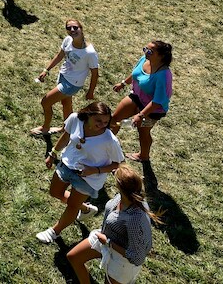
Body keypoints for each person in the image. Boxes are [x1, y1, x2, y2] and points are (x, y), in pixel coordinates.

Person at [37, 102, 124, 244]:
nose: (102, 125)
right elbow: (66, 137)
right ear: (88, 115)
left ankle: (54, 232)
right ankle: (85, 209)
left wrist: (94, 170)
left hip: (89, 178)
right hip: (67, 164)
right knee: (55, 192)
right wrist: (53, 154)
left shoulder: (110, 140)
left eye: (105, 122)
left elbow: (118, 163)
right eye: (98, 121)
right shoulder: (75, 119)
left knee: (72, 205)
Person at [66, 165, 156, 284]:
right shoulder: (124, 196)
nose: (113, 173)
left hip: (122, 261)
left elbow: (137, 258)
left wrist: (108, 243)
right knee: (73, 257)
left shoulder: (135, 219)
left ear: (121, 187)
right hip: (106, 238)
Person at [31, 19, 100, 136]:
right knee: (66, 104)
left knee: (45, 102)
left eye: (75, 27)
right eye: (69, 28)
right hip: (63, 76)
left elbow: (95, 73)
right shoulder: (68, 40)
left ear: (81, 28)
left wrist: (90, 92)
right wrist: (46, 70)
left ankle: (45, 127)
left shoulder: (89, 53)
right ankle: (66, 129)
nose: (72, 30)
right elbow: (60, 55)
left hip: (72, 84)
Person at [111, 40, 174, 163]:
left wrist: (141, 115)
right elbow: (136, 73)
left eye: (150, 51)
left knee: (143, 132)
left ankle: (144, 155)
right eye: (145, 49)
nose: (146, 52)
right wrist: (123, 83)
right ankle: (104, 146)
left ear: (161, 56)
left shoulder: (164, 75)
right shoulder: (144, 59)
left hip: (153, 109)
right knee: (114, 119)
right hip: (136, 97)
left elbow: (157, 101)